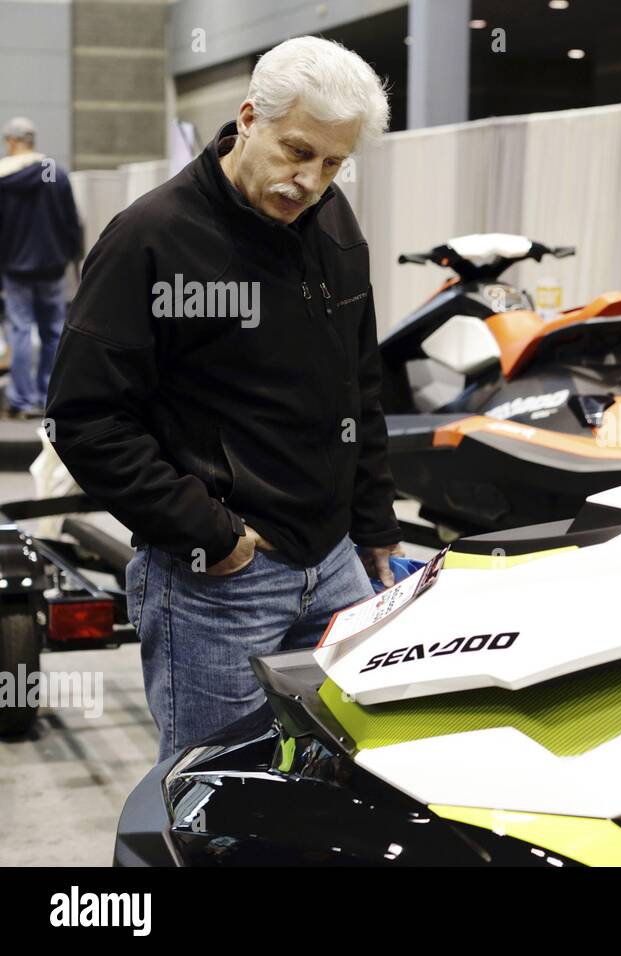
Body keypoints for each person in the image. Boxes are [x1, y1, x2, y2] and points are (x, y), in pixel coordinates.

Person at [46, 37, 404, 760]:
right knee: (217, 796)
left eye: (332, 164)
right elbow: (85, 419)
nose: (309, 181)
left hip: (335, 565)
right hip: (218, 585)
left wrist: (374, 526)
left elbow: (358, 386)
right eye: (297, 152)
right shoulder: (153, 238)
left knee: (342, 784)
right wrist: (214, 538)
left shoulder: (334, 225)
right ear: (249, 118)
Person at [0, 116, 82, 419]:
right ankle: (49, 395)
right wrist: (71, 256)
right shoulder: (54, 174)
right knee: (53, 333)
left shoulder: (3, 180)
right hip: (52, 267)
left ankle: (21, 401)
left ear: (11, 141)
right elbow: (72, 222)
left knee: (20, 332)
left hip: (14, 269)